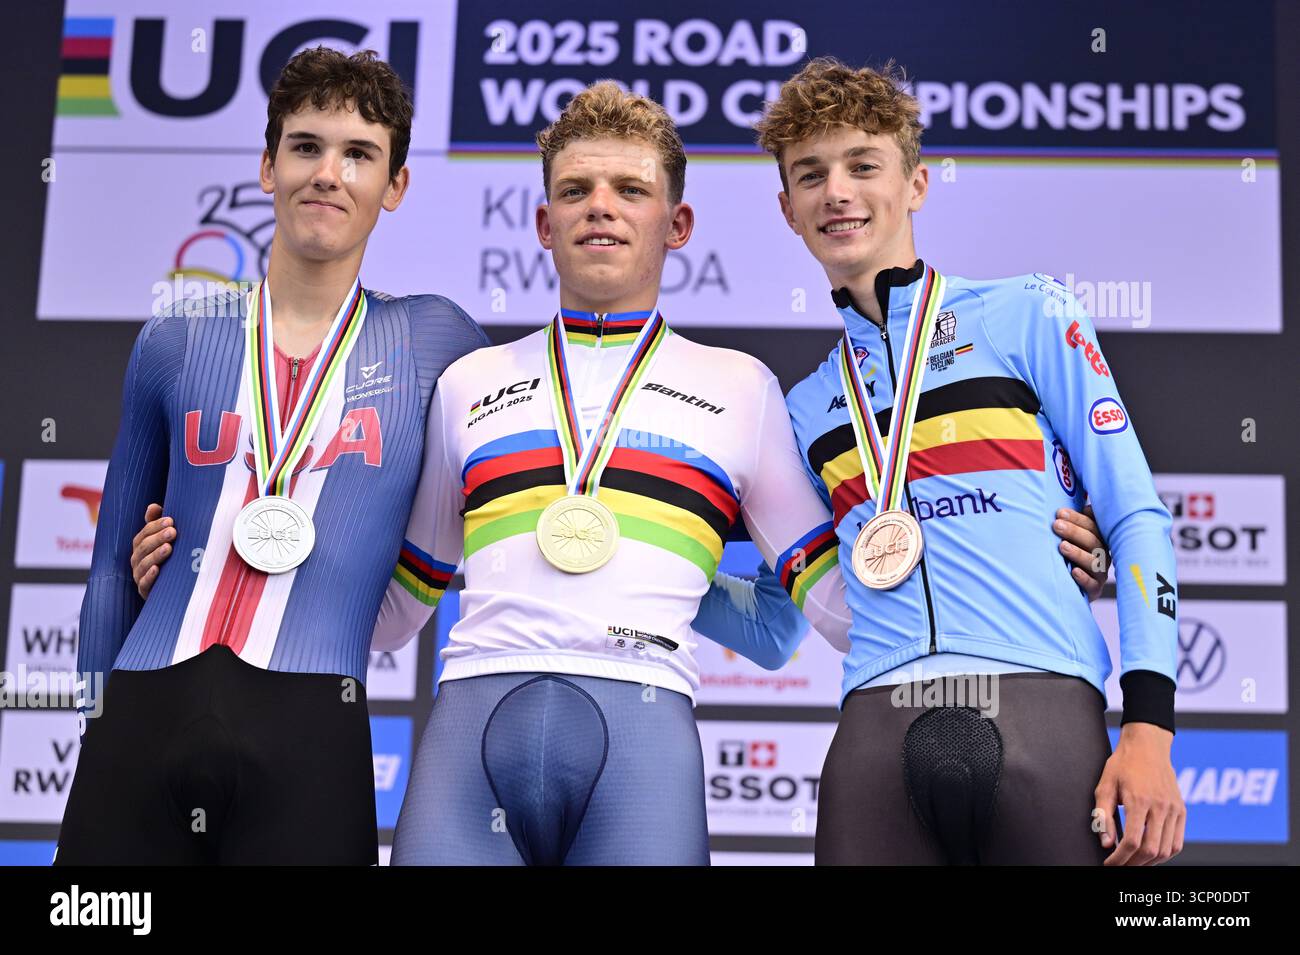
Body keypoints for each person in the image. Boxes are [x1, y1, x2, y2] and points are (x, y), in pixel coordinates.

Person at [125, 81, 1109, 866]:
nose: (602, 209)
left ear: (674, 226)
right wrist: (209, 570)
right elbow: (389, 611)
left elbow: (832, 611)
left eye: (631, 191)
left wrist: (1015, 553)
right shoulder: (467, 379)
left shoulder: (741, 390)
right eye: (576, 192)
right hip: (471, 721)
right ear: (542, 222)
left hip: (641, 726)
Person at [723, 57, 1184, 865]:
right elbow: (771, 625)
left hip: (1045, 709)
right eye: (811, 175)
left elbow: (1135, 515)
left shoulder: (1028, 311)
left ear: (917, 184)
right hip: (875, 732)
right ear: (787, 208)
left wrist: (1149, 728)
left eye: (863, 165)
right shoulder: (799, 407)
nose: (837, 191)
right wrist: (632, 564)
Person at [55, 48, 490, 865]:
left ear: (393, 188)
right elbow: (114, 565)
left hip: (311, 729)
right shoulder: (176, 336)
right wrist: (95, 727)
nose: (329, 173)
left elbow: (517, 482)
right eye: (305, 146)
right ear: (266, 166)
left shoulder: (439, 340)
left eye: (359, 154)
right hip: (142, 717)